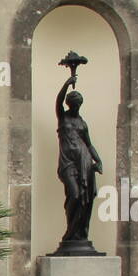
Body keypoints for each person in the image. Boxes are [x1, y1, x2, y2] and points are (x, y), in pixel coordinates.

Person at [55, 73, 104, 244]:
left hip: (84, 163)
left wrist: (98, 160)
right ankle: (70, 232)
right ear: (69, 104)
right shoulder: (63, 118)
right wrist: (67, 84)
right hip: (67, 164)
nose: (76, 108)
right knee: (75, 195)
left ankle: (79, 235)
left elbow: (89, 145)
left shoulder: (82, 123)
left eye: (78, 105)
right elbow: (58, 102)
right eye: (74, 105)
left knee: (85, 199)